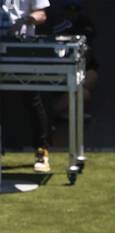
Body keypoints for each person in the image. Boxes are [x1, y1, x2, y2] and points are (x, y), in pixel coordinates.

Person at [0, 0, 52, 172]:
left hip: (22, 49)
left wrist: (21, 21)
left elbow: (41, 15)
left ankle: (42, 152)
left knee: (32, 99)